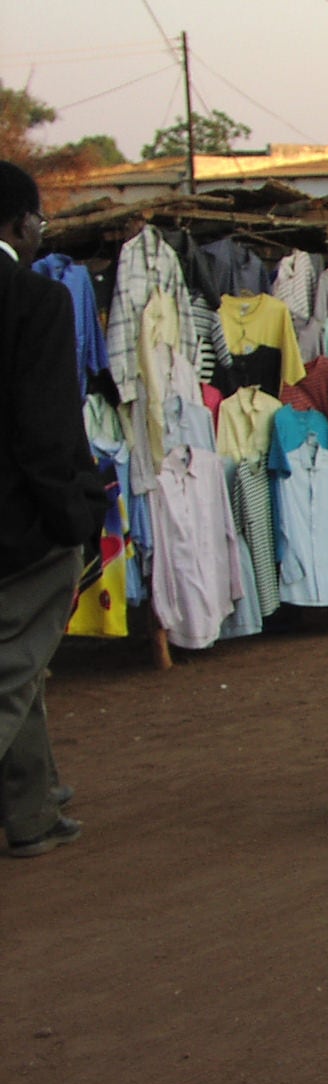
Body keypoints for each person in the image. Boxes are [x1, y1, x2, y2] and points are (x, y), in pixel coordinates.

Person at [0, 161, 106, 857]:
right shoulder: (34, 300)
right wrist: (80, 514)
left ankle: (33, 810)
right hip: (22, 527)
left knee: (24, 667)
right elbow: (47, 428)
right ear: (16, 223)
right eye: (38, 220)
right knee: (13, 668)